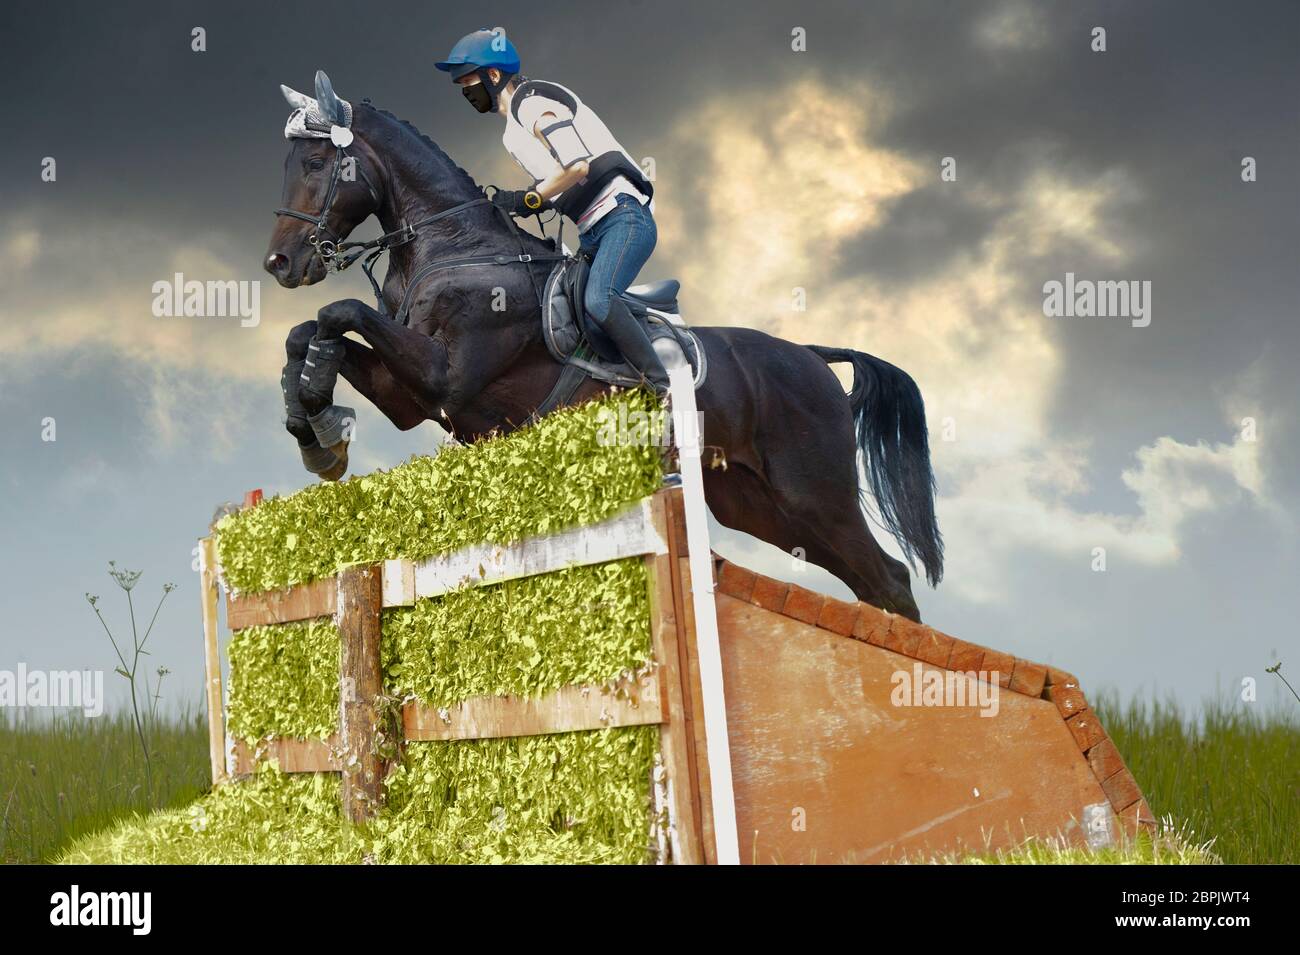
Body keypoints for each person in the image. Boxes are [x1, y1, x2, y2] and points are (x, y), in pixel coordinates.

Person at [436, 28, 669, 392]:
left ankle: (662, 384)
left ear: (493, 76)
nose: (466, 93)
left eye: (468, 82)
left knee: (599, 301)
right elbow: (558, 185)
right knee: (579, 319)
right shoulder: (511, 131)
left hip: (624, 216)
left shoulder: (531, 104)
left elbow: (577, 166)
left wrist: (527, 199)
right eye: (461, 86)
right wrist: (524, 201)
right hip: (592, 230)